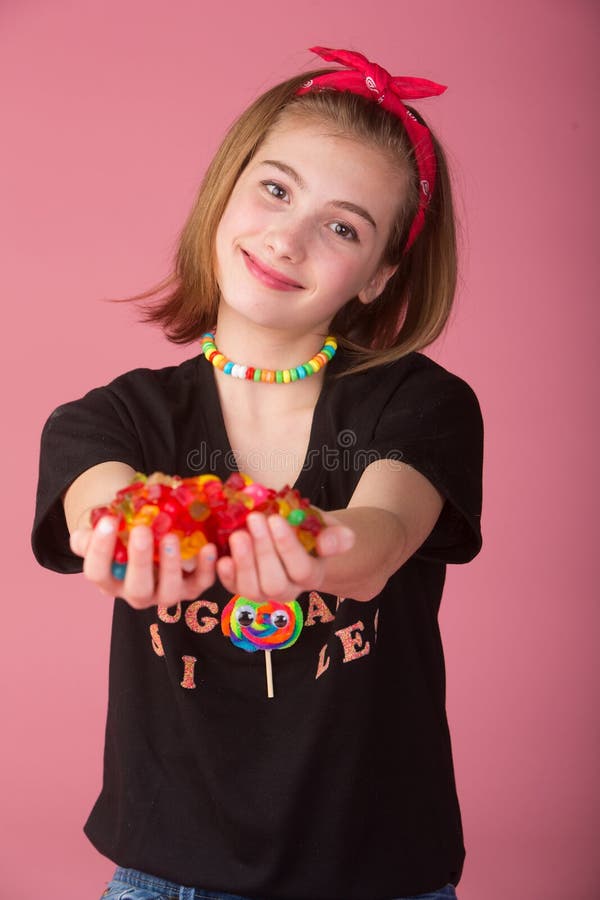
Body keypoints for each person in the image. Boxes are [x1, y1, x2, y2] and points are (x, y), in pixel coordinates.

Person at [32, 46, 484, 900]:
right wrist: (131, 529)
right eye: (275, 189)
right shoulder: (109, 418)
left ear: (381, 275)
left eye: (343, 226)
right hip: (164, 875)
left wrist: (316, 542)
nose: (287, 236)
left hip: (382, 873)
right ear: (227, 187)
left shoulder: (424, 405)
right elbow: (106, 498)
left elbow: (383, 535)